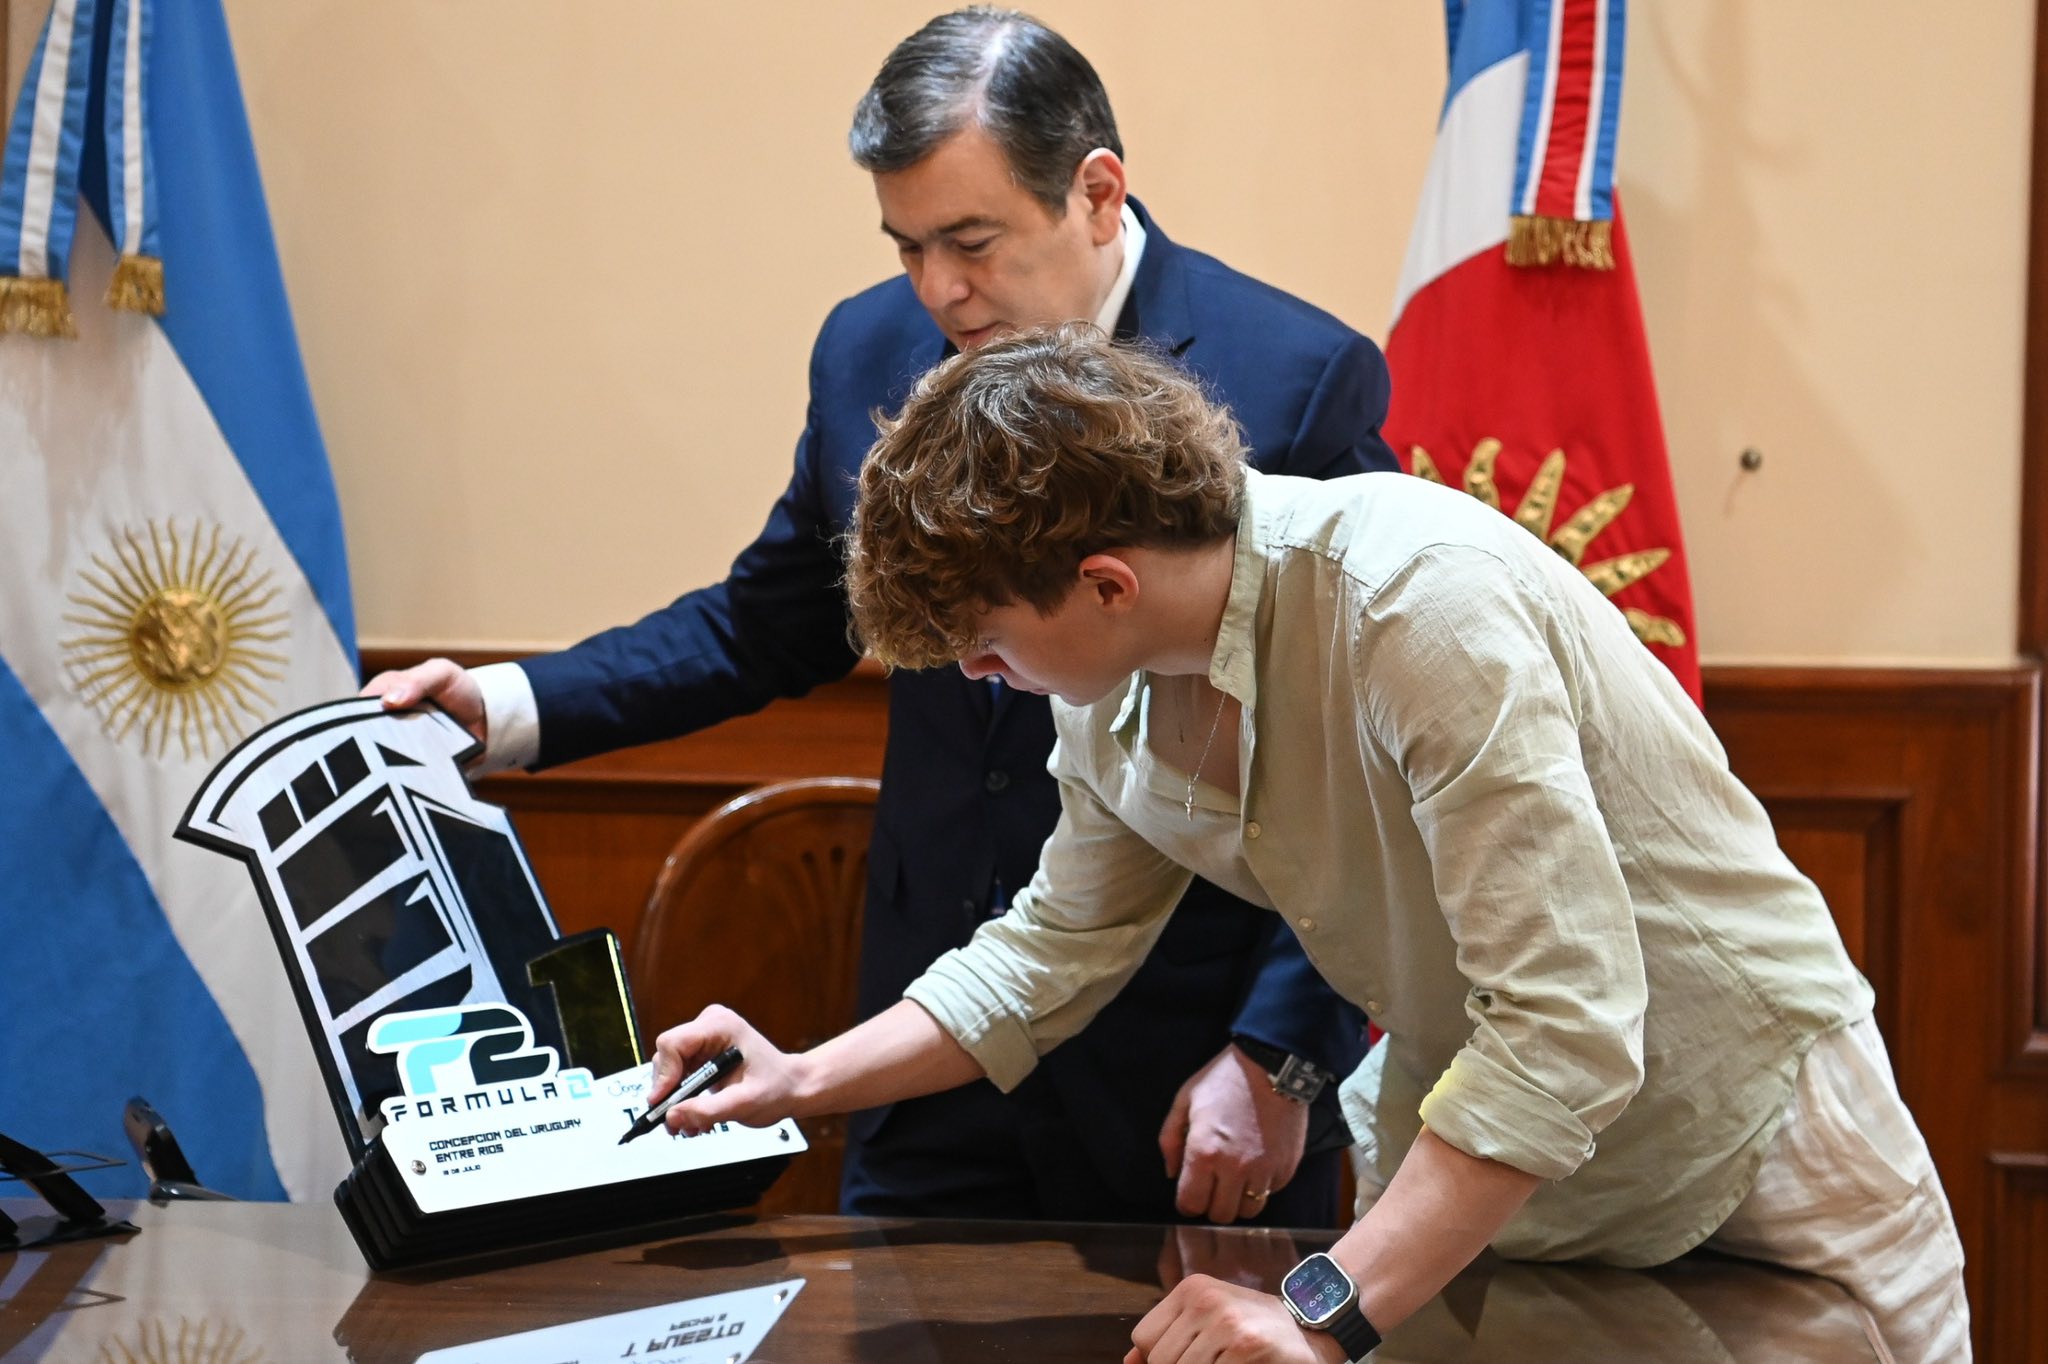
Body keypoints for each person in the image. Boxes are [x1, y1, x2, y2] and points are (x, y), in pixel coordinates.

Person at [645, 326, 1971, 1363]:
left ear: (1108, 582)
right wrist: (803, 1079)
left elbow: (1567, 1026)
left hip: (1750, 1140)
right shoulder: (1111, 702)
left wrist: (1322, 1306)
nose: (984, 679)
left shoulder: (1415, 605)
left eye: (989, 647)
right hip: (1491, 1179)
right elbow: (1049, 954)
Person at [366, 7, 1396, 1226]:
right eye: (906, 245)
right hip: (927, 1034)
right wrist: (508, 705)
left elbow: (1365, 753)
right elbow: (771, 622)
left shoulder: (1290, 375)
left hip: (1189, 1064)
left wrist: (1279, 1053)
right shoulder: (868, 353)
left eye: (970, 241)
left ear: (1097, 192)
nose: (937, 293)